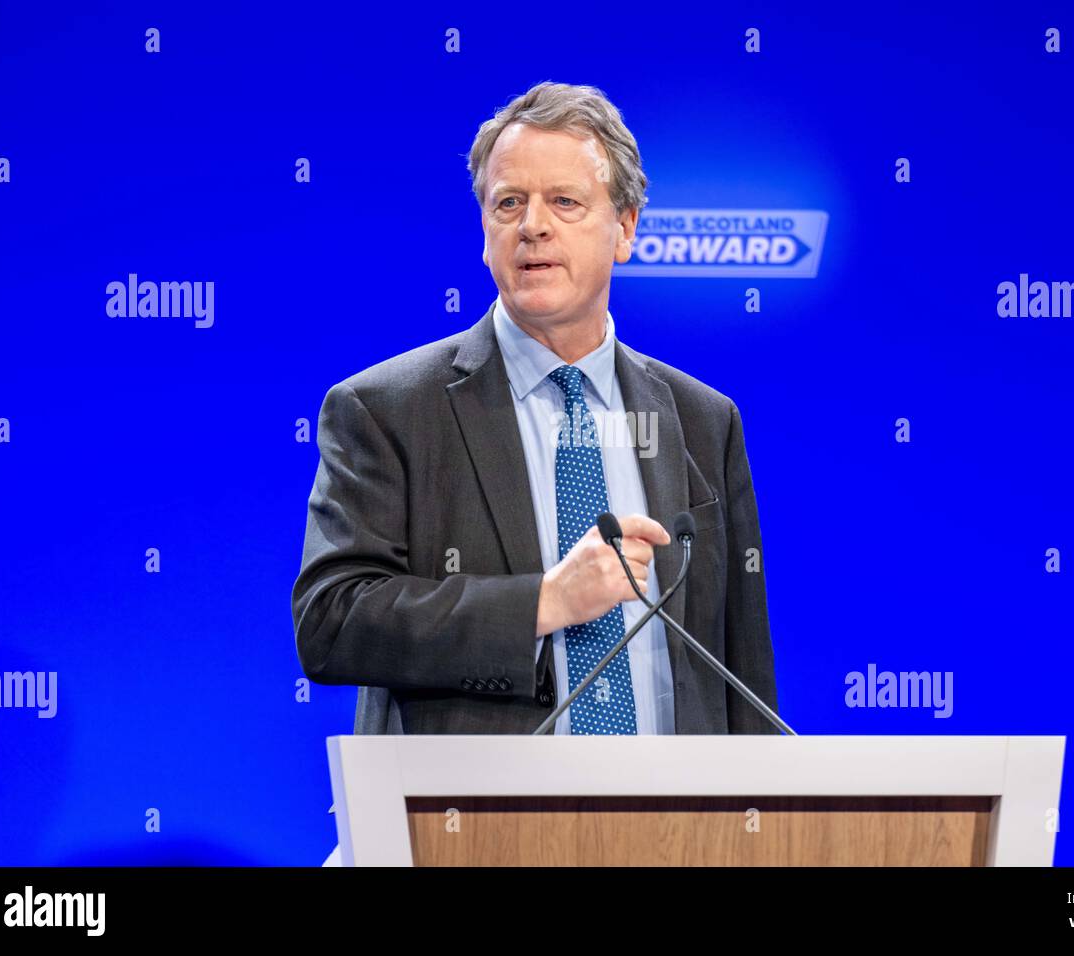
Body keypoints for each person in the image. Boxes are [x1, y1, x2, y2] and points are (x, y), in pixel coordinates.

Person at [292, 81, 778, 735]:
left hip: (674, 830)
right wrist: (544, 602)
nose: (532, 225)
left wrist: (754, 822)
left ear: (625, 228)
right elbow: (332, 621)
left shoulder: (703, 420)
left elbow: (742, 673)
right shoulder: (386, 411)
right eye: (509, 203)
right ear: (485, 231)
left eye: (565, 202)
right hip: (471, 826)